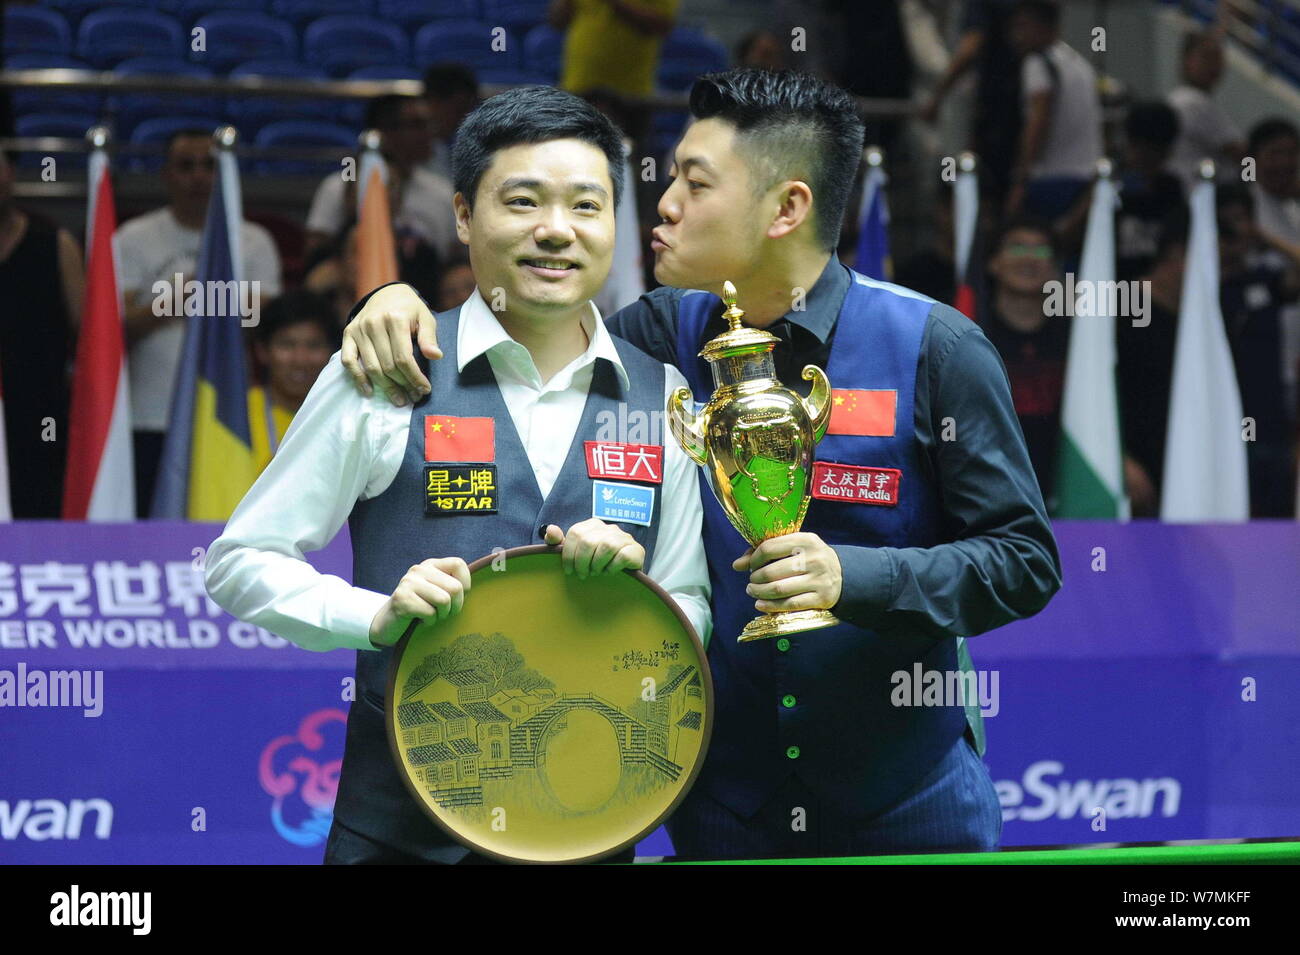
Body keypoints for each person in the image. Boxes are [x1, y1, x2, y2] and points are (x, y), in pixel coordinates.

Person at [338, 68, 1062, 860]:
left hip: (910, 801)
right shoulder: (654, 336)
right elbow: (518, 331)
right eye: (669, 175)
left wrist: (856, 578)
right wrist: (393, 301)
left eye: (694, 181)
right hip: (721, 805)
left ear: (787, 208)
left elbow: (1024, 560)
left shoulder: (936, 348)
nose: (665, 204)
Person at [204, 86, 712, 864]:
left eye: (586, 205)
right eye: (522, 201)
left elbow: (690, 605)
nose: (555, 230)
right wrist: (374, 617)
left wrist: (637, 599)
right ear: (466, 216)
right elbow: (239, 561)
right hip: (398, 831)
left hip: (588, 824)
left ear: (615, 223)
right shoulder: (385, 371)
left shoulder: (665, 395)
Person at [114, 128, 282, 518]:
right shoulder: (133, 238)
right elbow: (119, 326)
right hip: (148, 414)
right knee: (151, 527)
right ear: (166, 175)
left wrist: (181, 298)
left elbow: (262, 323)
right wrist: (201, 293)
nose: (198, 176)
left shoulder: (255, 240)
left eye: (209, 166)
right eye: (185, 166)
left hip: (226, 413)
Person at [0, 150, 83, 518]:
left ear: (12, 174)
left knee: (39, 515)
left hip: (41, 421)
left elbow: (87, 337)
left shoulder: (54, 243)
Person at [1216, 184, 1300, 517]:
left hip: (1268, 420)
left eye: (1241, 220)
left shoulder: (1265, 279)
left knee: (1274, 515)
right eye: (1226, 222)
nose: (1234, 230)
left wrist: (1262, 236)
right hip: (1221, 419)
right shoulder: (1197, 289)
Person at [303, 95, 458, 272]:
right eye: (417, 125)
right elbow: (315, 257)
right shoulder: (337, 187)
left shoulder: (443, 191)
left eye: (428, 124)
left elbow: (453, 263)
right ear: (383, 133)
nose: (429, 132)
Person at [976, 217, 1070, 508]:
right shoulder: (969, 335)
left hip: (1065, 482)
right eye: (1017, 249)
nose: (1029, 258)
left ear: (1054, 268)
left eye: (1042, 251)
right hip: (987, 486)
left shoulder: (1077, 339)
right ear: (993, 263)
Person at [1004, 0, 1102, 222]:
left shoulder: (1037, 63)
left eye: (1022, 27)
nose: (1015, 37)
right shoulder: (1079, 64)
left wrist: (1020, 180)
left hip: (1051, 179)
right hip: (1085, 178)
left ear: (1044, 26)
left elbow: (1038, 121)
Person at [247, 290, 338, 474]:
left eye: (313, 346)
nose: (300, 360)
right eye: (287, 345)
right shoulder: (237, 414)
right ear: (262, 351)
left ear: (333, 353)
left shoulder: (344, 416)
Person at [1246, 117, 1300, 424]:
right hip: (1265, 358)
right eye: (1275, 153)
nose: (1285, 162)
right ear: (1254, 158)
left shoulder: (1294, 208)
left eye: (1292, 154)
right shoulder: (1246, 207)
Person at [1166, 29, 1246, 193]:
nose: (1214, 65)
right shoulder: (1192, 102)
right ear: (1187, 61)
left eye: (1218, 58)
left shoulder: (1180, 98)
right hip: (1202, 197)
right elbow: (1242, 154)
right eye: (1206, 57)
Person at [422, 63, 480, 184]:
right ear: (433, 103)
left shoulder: (471, 145)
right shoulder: (411, 149)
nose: (465, 117)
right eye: (459, 110)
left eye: (470, 109)